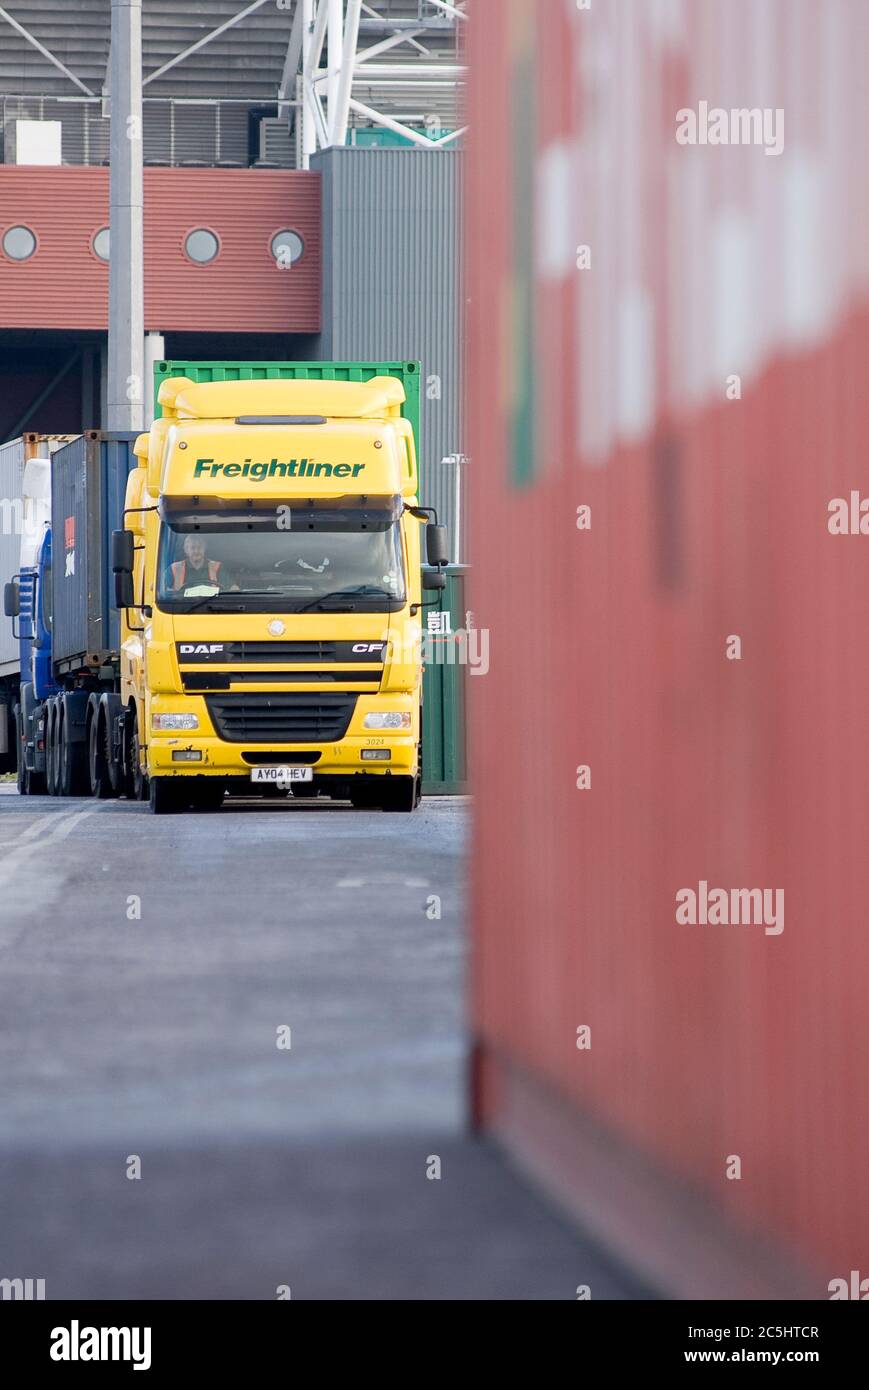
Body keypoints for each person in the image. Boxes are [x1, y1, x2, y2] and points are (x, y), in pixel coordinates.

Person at [166, 535, 236, 593]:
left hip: (212, 607)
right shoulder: (174, 568)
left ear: (204, 549)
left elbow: (232, 588)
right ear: (186, 550)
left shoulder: (217, 567)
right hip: (181, 608)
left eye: (199, 547)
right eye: (193, 548)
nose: (196, 551)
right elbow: (161, 590)